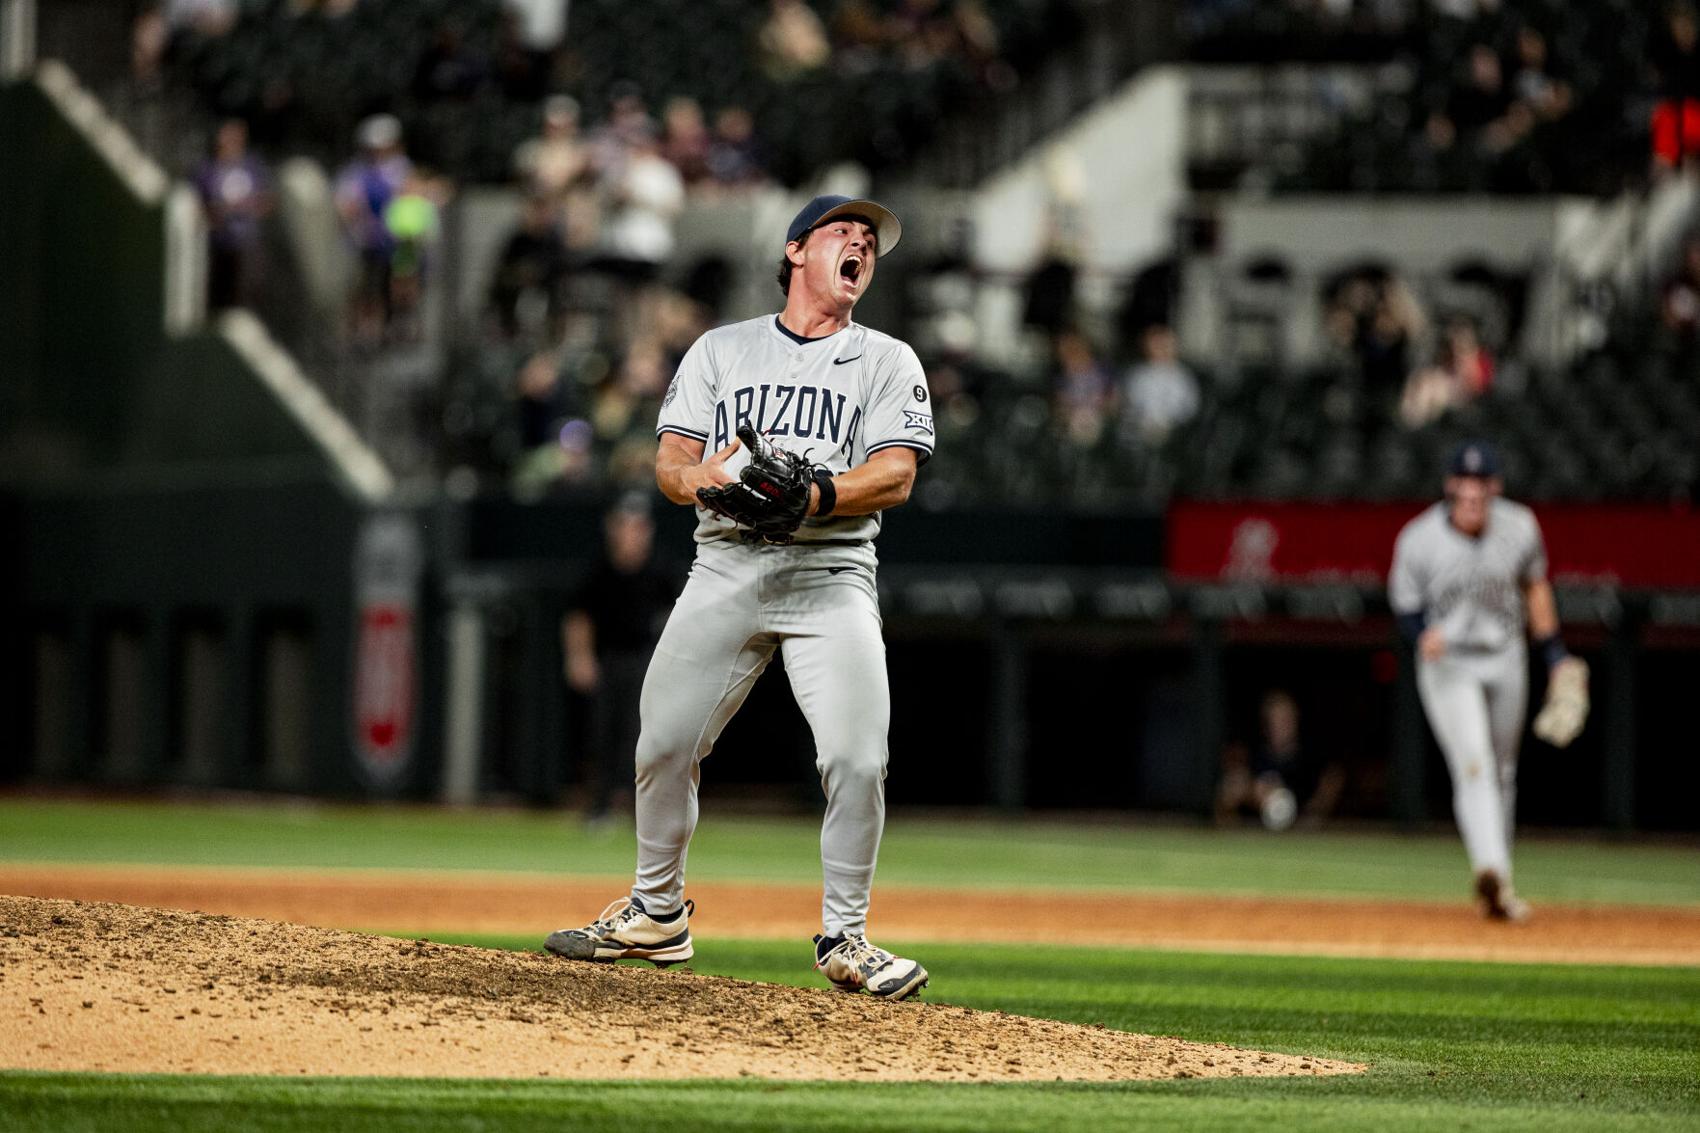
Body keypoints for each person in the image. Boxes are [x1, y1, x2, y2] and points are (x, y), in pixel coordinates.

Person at [544, 194, 935, 999]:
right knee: (659, 745)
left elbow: (896, 473)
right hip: (724, 568)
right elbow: (669, 467)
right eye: (843, 231)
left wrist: (817, 494)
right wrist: (709, 480)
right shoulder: (721, 351)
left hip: (831, 575)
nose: (860, 243)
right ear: (797, 251)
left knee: (859, 758)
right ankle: (657, 911)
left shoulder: (889, 359)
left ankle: (847, 937)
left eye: (870, 240)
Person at [1389, 442, 1577, 922]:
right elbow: (1406, 605)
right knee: (1474, 762)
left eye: (1482, 486)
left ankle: (1501, 882)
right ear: (1451, 488)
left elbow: (1536, 587)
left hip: (1505, 655)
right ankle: (1490, 869)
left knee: (1502, 771)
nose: (1472, 495)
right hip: (1449, 663)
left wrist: (1555, 655)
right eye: (1464, 486)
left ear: (1494, 488)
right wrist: (1420, 635)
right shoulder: (1419, 538)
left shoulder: (1520, 527)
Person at [562, 496, 679, 824]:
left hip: (645, 661)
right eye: (626, 525)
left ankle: (638, 810)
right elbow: (578, 616)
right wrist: (579, 657)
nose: (632, 533)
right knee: (599, 734)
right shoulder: (599, 566)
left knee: (640, 736)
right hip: (608, 659)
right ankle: (598, 807)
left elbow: (677, 613)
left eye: (639, 526)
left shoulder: (660, 566)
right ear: (612, 528)